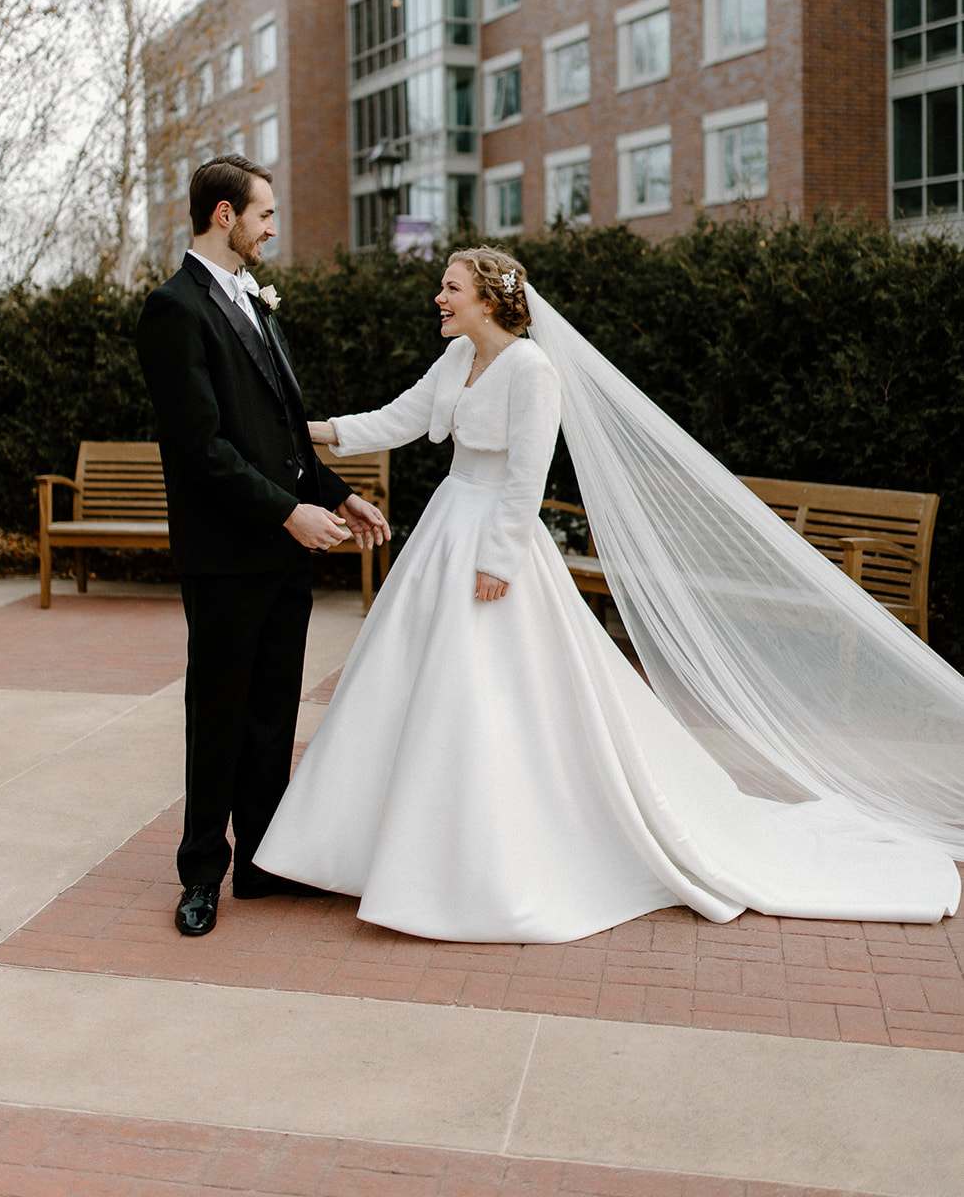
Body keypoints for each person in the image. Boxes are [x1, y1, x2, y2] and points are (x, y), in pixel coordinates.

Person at [253, 247, 964, 944]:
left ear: (489, 298)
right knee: (409, 681)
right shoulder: (456, 359)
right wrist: (298, 431)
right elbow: (396, 419)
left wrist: (500, 558)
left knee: (488, 692)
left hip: (493, 539)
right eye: (442, 287)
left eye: (450, 287)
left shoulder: (530, 369)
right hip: (445, 527)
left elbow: (528, 472)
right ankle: (379, 848)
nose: (438, 299)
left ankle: (480, 859)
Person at [137, 155, 389, 937]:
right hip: (226, 554)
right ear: (223, 215)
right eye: (264, 214)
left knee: (273, 712)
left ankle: (260, 862)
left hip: (284, 551)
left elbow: (281, 432)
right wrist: (288, 513)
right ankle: (201, 874)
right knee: (217, 714)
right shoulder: (173, 309)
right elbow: (200, 446)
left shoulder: (256, 304)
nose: (272, 228)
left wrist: (332, 492)